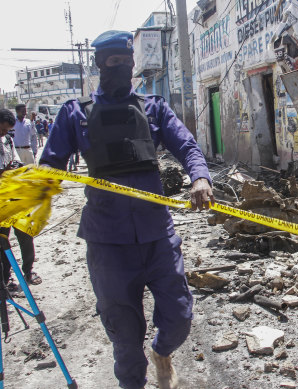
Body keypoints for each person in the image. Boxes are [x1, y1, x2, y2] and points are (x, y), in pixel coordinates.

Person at [39, 30, 214, 389]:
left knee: (180, 315)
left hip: (157, 234)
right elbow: (48, 168)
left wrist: (200, 178)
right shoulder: (75, 113)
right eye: (111, 61)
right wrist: (20, 203)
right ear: (99, 64)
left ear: (133, 64)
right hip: (108, 241)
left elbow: (188, 146)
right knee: (123, 333)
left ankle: (162, 352)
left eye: (125, 60)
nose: (119, 66)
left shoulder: (153, 107)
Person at [0, 109, 42, 290]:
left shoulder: (8, 141)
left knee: (25, 233)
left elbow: (16, 163)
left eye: (6, 130)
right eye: (2, 130)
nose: (4, 133)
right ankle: (6, 278)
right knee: (3, 239)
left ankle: (28, 270)